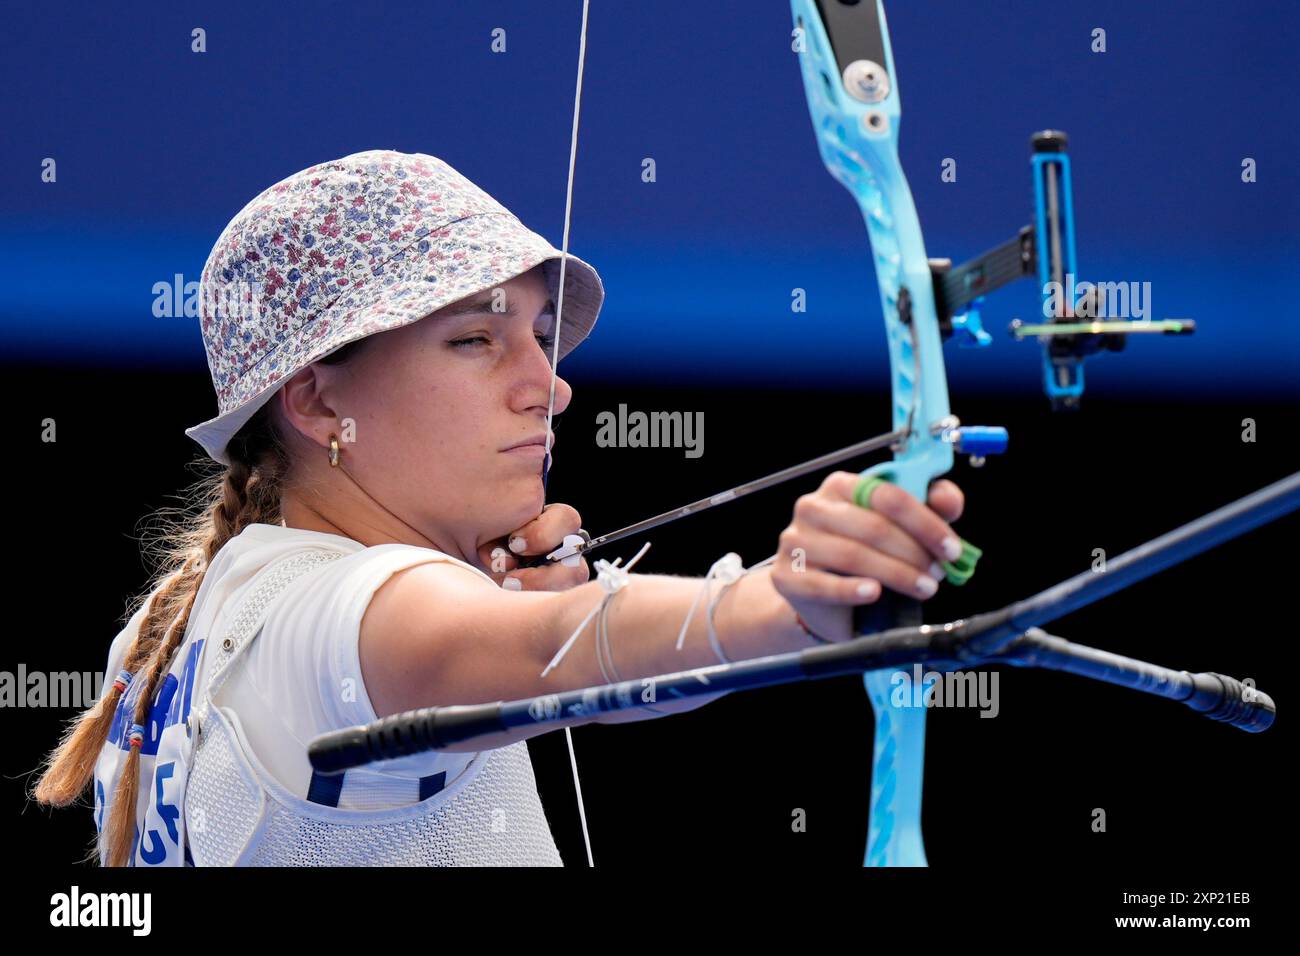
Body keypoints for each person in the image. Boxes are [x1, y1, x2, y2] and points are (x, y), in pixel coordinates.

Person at [32, 149, 966, 866]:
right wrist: (781, 605)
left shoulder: (177, 629)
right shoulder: (344, 617)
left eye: (544, 336)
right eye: (475, 338)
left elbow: (507, 650)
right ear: (316, 403)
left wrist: (502, 613)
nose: (548, 387)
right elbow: (537, 649)